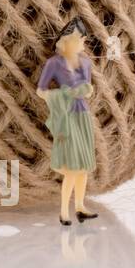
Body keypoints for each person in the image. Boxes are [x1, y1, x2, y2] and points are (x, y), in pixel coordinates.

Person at [36, 17, 99, 226]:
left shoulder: (86, 63)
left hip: (83, 116)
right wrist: (62, 95)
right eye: (81, 38)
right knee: (72, 168)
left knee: (83, 168)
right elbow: (41, 90)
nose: (84, 43)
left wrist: (84, 91)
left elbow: (88, 89)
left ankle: (80, 207)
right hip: (67, 117)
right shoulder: (54, 63)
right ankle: (64, 212)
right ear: (68, 40)